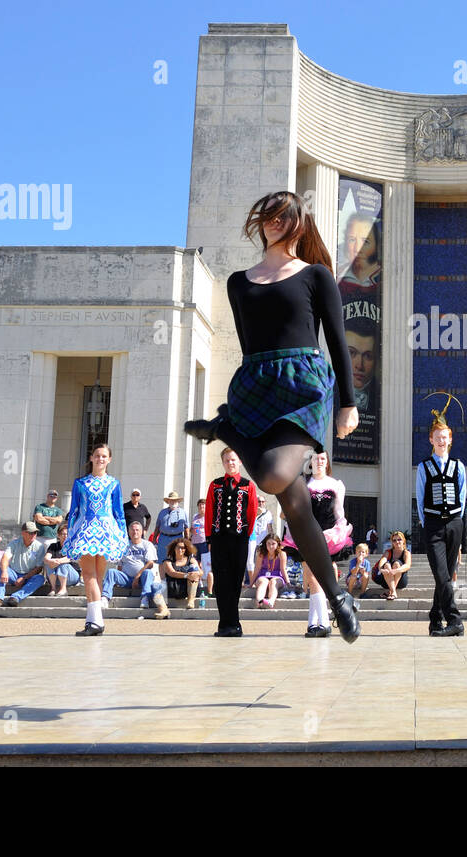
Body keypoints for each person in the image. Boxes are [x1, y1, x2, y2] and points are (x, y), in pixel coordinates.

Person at [183, 191, 362, 643]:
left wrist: (348, 402)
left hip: (303, 384)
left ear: (299, 222)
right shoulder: (238, 283)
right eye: (268, 215)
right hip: (257, 382)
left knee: (272, 474)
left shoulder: (316, 275)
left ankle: (223, 428)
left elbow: (337, 340)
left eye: (284, 215)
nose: (274, 221)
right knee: (294, 502)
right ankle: (338, 598)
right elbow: (248, 346)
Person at [284, 450, 353, 638]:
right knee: (311, 577)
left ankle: (316, 623)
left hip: (328, 536)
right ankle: (321, 622)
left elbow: (339, 511)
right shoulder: (303, 484)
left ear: (327, 462)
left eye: (323, 458)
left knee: (320, 579)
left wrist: (340, 531)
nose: (320, 461)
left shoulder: (336, 485)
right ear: (310, 462)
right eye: (316, 458)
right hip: (306, 534)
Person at [64, 443, 131, 635]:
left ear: (109, 460)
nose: (100, 459)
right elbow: (74, 510)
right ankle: (94, 620)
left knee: (95, 577)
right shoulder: (81, 483)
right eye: (97, 455)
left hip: (105, 531)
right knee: (89, 575)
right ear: (91, 458)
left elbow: (118, 511)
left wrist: (122, 535)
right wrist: (71, 532)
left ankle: (95, 622)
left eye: (104, 456)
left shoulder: (113, 483)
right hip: (86, 529)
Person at [416, 398, 467, 636]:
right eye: (437, 436)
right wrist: (426, 523)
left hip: (454, 523)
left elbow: (463, 497)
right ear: (431, 440)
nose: (441, 440)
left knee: (446, 574)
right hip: (433, 524)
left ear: (450, 439)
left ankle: (435, 618)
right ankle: (455, 620)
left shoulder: (459, 466)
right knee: (441, 573)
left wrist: (458, 522)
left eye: (444, 436)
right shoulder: (424, 466)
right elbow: (419, 498)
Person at [204, 447, 260, 636]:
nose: (230, 463)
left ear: (240, 461)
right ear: (223, 463)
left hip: (239, 540)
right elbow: (209, 511)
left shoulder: (248, 485)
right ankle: (223, 624)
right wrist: (209, 537)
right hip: (219, 539)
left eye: (233, 460)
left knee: (236, 581)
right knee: (221, 582)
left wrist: (245, 535)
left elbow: (252, 512)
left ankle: (234, 624)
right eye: (227, 460)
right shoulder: (215, 485)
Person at [103, 520, 171, 617]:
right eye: (133, 530)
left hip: (142, 579)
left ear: (142, 532)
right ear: (129, 532)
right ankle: (105, 598)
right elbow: (120, 566)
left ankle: (145, 598)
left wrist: (138, 576)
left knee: (148, 572)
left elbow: (150, 563)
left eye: (137, 530)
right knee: (111, 572)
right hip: (127, 578)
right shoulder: (124, 546)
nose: (135, 532)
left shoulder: (147, 545)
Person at [0, 522, 49, 607]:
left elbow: (39, 568)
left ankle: (15, 597)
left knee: (40, 578)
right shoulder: (14, 543)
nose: (33, 535)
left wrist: (24, 578)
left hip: (29, 576)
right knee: (1, 569)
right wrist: (4, 572)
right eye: (30, 532)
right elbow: (5, 558)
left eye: (35, 532)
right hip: (13, 573)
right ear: (23, 533)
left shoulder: (40, 546)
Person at [337, 214, 382, 287]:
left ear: (376, 245)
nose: (357, 249)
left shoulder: (385, 276)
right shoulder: (338, 273)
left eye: (365, 241)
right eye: (352, 240)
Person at [161, 538, 202, 607]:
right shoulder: (168, 561)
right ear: (174, 548)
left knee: (194, 575)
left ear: (185, 549)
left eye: (182, 548)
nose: (180, 549)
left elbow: (200, 572)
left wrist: (196, 574)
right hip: (174, 587)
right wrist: (187, 575)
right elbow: (172, 573)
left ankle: (191, 600)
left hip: (189, 586)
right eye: (178, 547)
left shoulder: (191, 560)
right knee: (191, 576)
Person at [250, 534, 287, 609]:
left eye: (273, 544)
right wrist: (251, 583)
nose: (270, 546)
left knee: (273, 582)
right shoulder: (261, 553)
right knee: (263, 582)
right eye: (268, 544)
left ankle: (271, 601)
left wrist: (288, 583)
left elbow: (283, 569)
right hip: (263, 575)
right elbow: (257, 569)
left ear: (278, 544)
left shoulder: (281, 553)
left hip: (277, 576)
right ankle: (259, 601)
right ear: (265, 544)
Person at [44, 521, 80, 597]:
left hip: (72, 577)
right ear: (58, 535)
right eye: (63, 534)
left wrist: (57, 561)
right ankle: (53, 589)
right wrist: (51, 561)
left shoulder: (73, 546)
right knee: (48, 564)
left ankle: (63, 589)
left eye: (67, 534)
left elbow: (69, 558)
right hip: (56, 578)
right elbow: (46, 559)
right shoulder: (53, 546)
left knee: (63, 565)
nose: (65, 536)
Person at [154, 491, 190, 562]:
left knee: (176, 559)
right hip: (163, 539)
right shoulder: (162, 512)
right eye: (171, 500)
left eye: (175, 500)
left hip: (177, 538)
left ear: (178, 501)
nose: (173, 502)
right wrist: (154, 540)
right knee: (162, 560)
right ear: (168, 501)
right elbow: (157, 527)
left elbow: (186, 528)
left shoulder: (183, 512)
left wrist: (187, 542)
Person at [373, 531, 411, 600]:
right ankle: (393, 591)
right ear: (392, 542)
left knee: (397, 564)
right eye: (394, 540)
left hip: (401, 581)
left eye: (399, 539)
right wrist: (381, 569)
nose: (397, 542)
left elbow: (407, 565)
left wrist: (396, 570)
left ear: (403, 540)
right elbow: (382, 561)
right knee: (387, 565)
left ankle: (391, 591)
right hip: (387, 581)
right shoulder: (388, 552)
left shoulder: (406, 553)